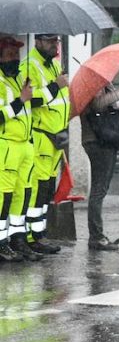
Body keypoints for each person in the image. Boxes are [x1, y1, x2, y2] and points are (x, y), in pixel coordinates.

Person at [22, 33, 70, 255]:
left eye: (56, 41)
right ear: (38, 41)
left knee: (48, 187)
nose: (54, 44)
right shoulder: (29, 65)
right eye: (50, 41)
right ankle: (32, 237)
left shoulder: (53, 65)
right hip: (41, 136)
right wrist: (55, 86)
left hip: (56, 136)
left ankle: (39, 233)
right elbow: (30, 100)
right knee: (38, 188)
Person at [82, 81, 119, 251]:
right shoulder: (91, 85)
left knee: (101, 189)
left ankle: (97, 235)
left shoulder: (106, 87)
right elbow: (97, 105)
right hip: (97, 142)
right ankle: (96, 236)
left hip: (107, 141)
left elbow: (117, 117)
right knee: (99, 190)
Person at [0, 36, 37, 262]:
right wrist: (21, 100)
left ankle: (17, 239)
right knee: (3, 196)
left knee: (22, 194)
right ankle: (1, 243)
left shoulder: (19, 78)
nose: (15, 58)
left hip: (25, 145)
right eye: (10, 55)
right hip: (6, 145)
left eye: (17, 54)